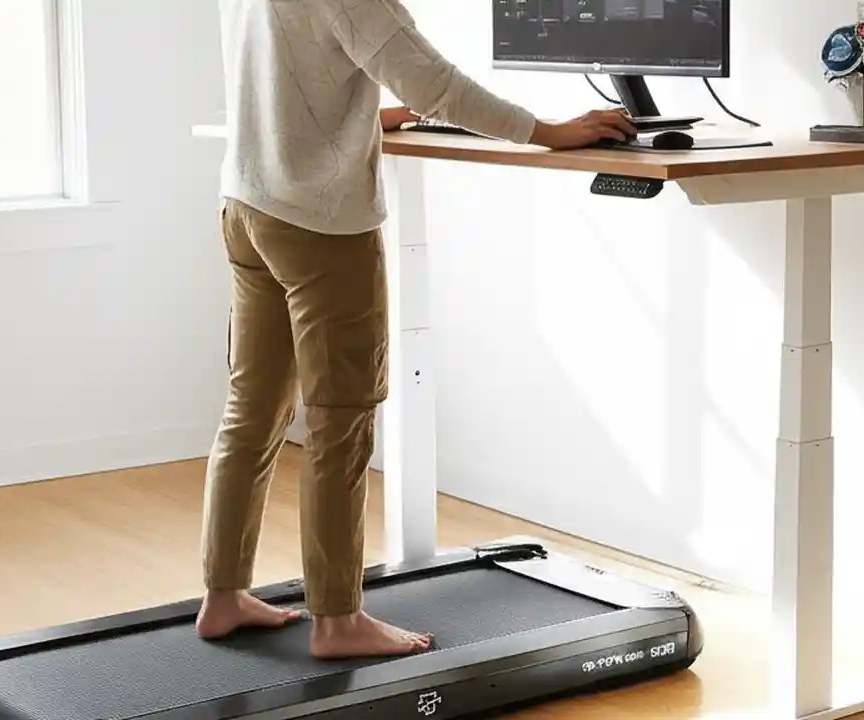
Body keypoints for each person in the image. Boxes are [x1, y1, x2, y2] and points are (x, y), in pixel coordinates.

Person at [199, 0, 637, 660]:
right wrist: (551, 130)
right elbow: (436, 84)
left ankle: (224, 594)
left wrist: (365, 116)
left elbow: (285, 75)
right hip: (320, 225)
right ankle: (338, 619)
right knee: (339, 421)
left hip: (248, 204)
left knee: (251, 410)